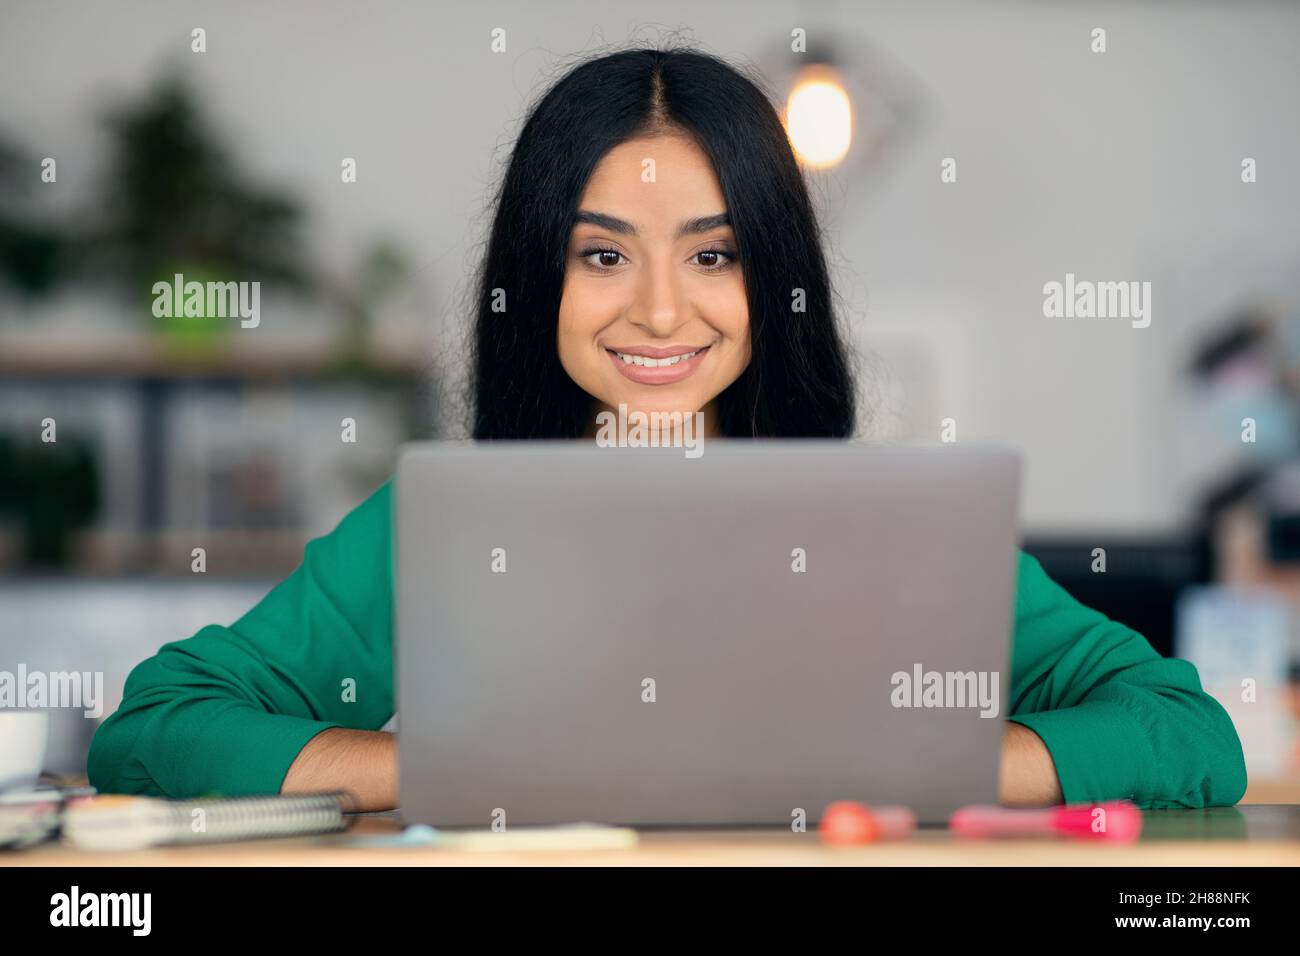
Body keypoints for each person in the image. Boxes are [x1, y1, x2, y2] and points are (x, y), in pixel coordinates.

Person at [87, 47, 1247, 812]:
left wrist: (933, 765)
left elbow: (1186, 732)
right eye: (602, 254)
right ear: (539, 279)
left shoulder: (882, 531)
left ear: (772, 276)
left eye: (711, 253)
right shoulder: (444, 528)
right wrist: (457, 772)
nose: (655, 309)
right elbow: (155, 727)